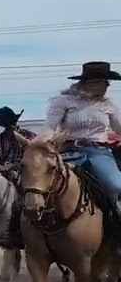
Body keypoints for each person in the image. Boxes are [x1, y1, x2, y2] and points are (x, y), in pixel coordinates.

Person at [44, 61, 121, 218]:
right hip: (70, 151)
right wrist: (42, 143)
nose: (107, 86)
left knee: (116, 186)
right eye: (104, 82)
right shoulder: (63, 101)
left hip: (99, 152)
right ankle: (24, 227)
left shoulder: (108, 105)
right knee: (42, 183)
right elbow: (49, 128)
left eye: (107, 82)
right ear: (89, 83)